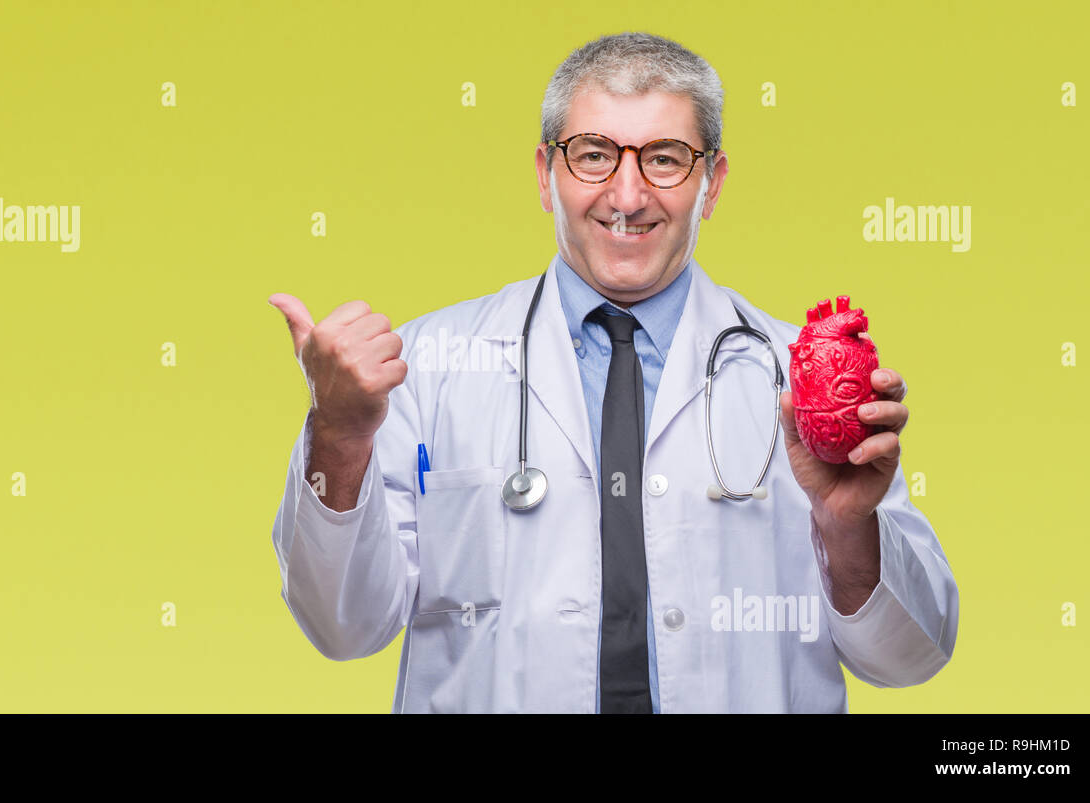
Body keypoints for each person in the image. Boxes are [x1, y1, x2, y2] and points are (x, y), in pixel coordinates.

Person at [268, 31, 958, 713]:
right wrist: (338, 433)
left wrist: (847, 529)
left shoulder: (800, 381)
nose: (627, 196)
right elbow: (342, 625)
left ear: (712, 183)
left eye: (665, 159)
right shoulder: (428, 368)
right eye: (593, 155)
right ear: (546, 174)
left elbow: (910, 655)